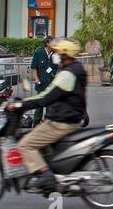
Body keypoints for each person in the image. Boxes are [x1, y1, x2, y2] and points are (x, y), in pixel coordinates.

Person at [7, 39, 87, 191]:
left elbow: (45, 98)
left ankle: (46, 175)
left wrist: (20, 105)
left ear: (65, 55)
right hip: (70, 116)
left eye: (58, 53)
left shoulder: (67, 74)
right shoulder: (76, 68)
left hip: (61, 121)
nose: (56, 56)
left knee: (25, 144)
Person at [29, 36, 56, 124]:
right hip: (41, 83)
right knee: (39, 104)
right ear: (47, 44)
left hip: (51, 83)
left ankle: (47, 123)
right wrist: (36, 79)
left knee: (50, 104)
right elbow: (34, 68)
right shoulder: (39, 53)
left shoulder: (55, 54)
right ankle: (36, 122)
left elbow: (57, 67)